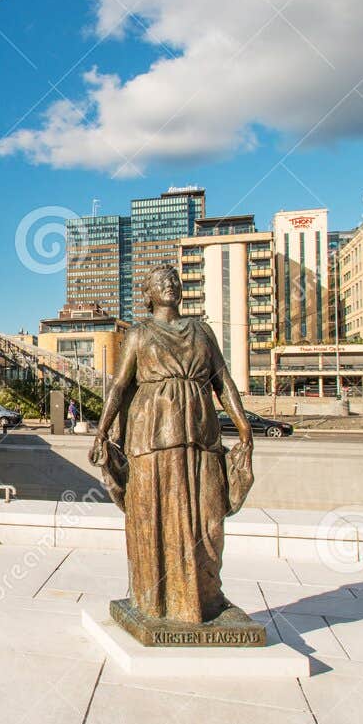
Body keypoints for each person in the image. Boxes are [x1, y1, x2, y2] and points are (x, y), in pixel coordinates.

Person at [89, 262, 254, 632]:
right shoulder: (138, 334)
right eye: (161, 281)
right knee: (151, 516)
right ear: (148, 295)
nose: (171, 284)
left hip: (200, 435)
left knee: (208, 517)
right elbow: (119, 386)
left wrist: (244, 428)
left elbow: (223, 382)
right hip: (152, 437)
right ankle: (154, 600)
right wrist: (101, 431)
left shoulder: (202, 331)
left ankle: (204, 598)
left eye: (174, 279)